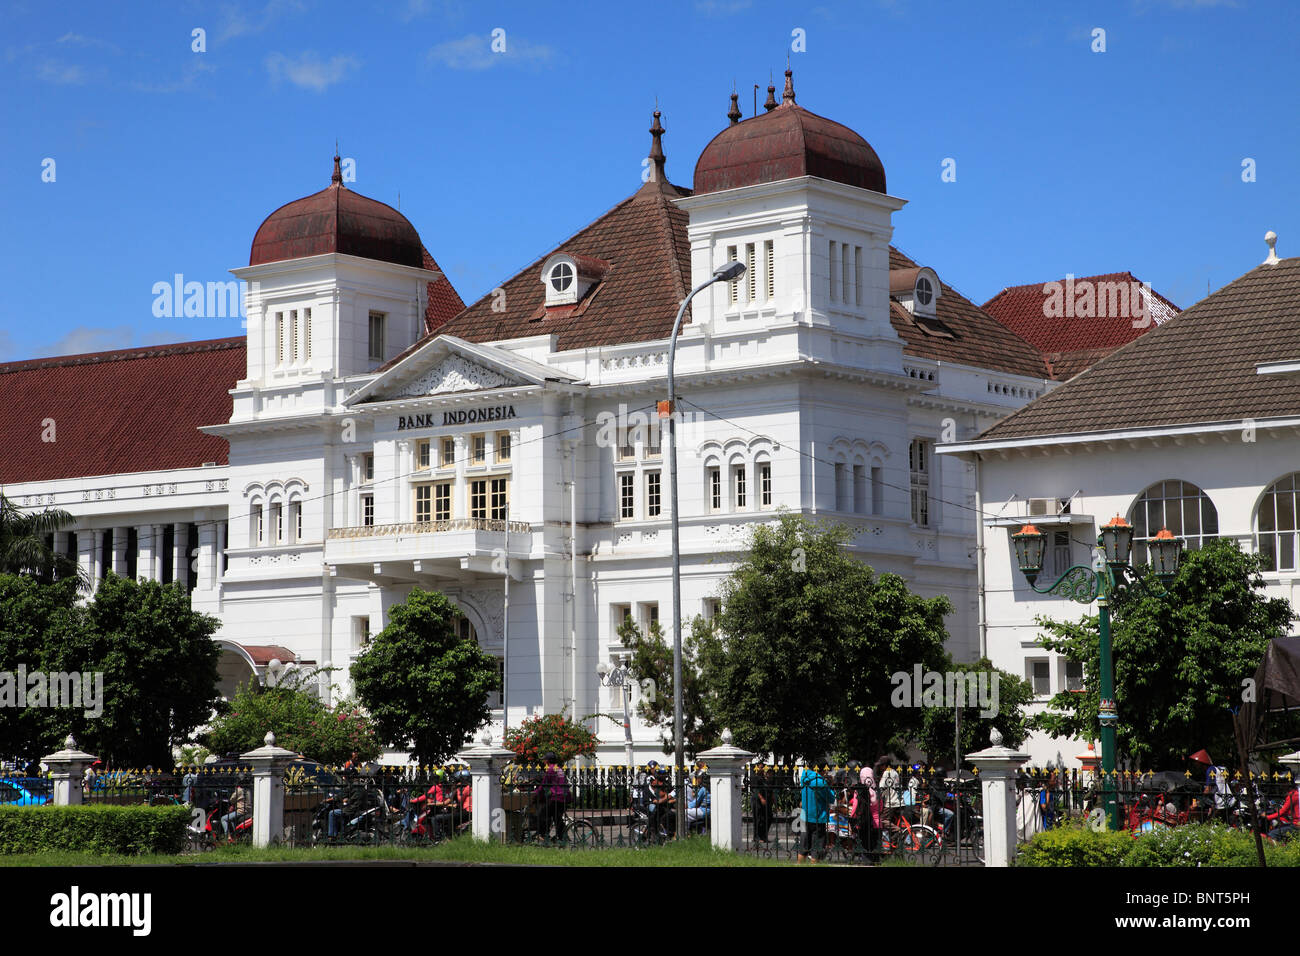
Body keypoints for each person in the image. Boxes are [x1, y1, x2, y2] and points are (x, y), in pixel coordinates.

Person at [797, 758, 833, 863]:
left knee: (803, 846)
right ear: (822, 769)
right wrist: (830, 785)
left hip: (805, 815)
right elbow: (831, 798)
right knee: (816, 848)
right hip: (818, 817)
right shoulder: (821, 783)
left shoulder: (804, 777)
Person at [533, 753, 569, 842]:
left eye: (545, 760)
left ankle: (543, 835)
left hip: (557, 797)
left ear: (548, 761)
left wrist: (535, 793)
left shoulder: (551, 769)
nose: (544, 761)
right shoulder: (559, 769)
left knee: (543, 814)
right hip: (564, 796)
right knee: (557, 818)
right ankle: (562, 837)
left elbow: (544, 784)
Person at [751, 765, 772, 844]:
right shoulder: (755, 778)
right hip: (756, 801)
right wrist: (761, 798)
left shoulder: (764, 779)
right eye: (760, 767)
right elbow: (755, 789)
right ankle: (756, 837)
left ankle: (763, 836)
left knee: (765, 818)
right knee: (757, 819)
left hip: (764, 801)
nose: (762, 769)